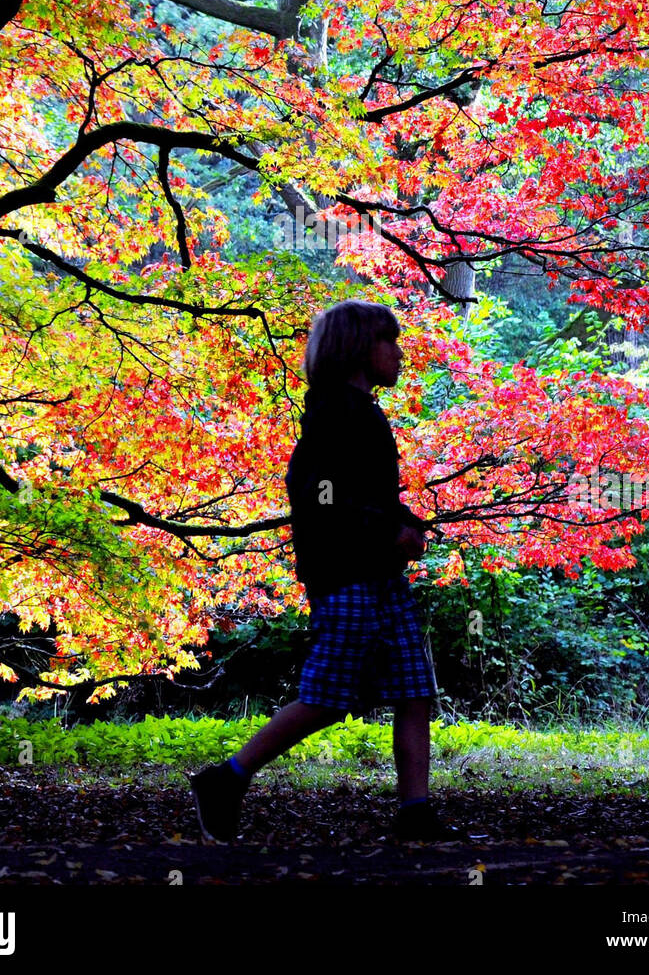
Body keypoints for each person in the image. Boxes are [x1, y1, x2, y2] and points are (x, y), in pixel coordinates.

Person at [189, 299, 460, 843]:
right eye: (390, 341)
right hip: (348, 577)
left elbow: (370, 496)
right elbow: (322, 497)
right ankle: (226, 779)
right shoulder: (336, 413)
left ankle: (415, 812)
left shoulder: (361, 411)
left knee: (413, 690)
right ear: (361, 348)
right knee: (330, 696)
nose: (400, 353)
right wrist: (391, 532)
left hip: (379, 576)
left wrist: (404, 523)